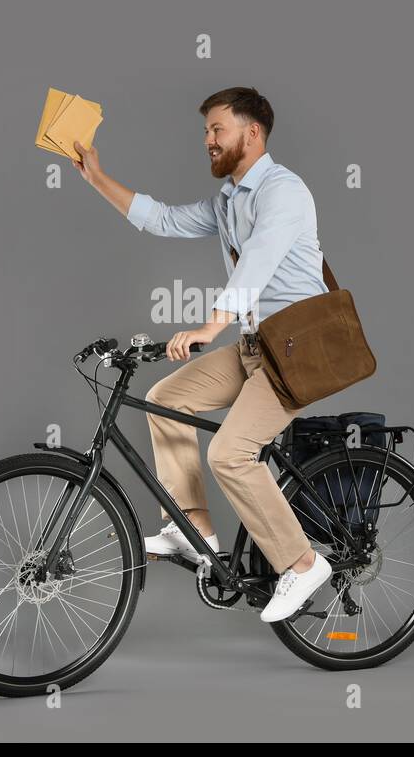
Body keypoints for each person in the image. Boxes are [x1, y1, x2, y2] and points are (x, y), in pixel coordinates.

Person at [70, 86, 333, 623]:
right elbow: (162, 219)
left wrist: (209, 326)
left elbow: (255, 265)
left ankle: (303, 564)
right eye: (206, 132)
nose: (208, 141)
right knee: (169, 398)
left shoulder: (284, 192)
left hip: (302, 352)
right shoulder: (230, 201)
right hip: (261, 348)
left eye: (217, 130)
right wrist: (96, 176)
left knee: (230, 455)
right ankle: (195, 531)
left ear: (251, 133)